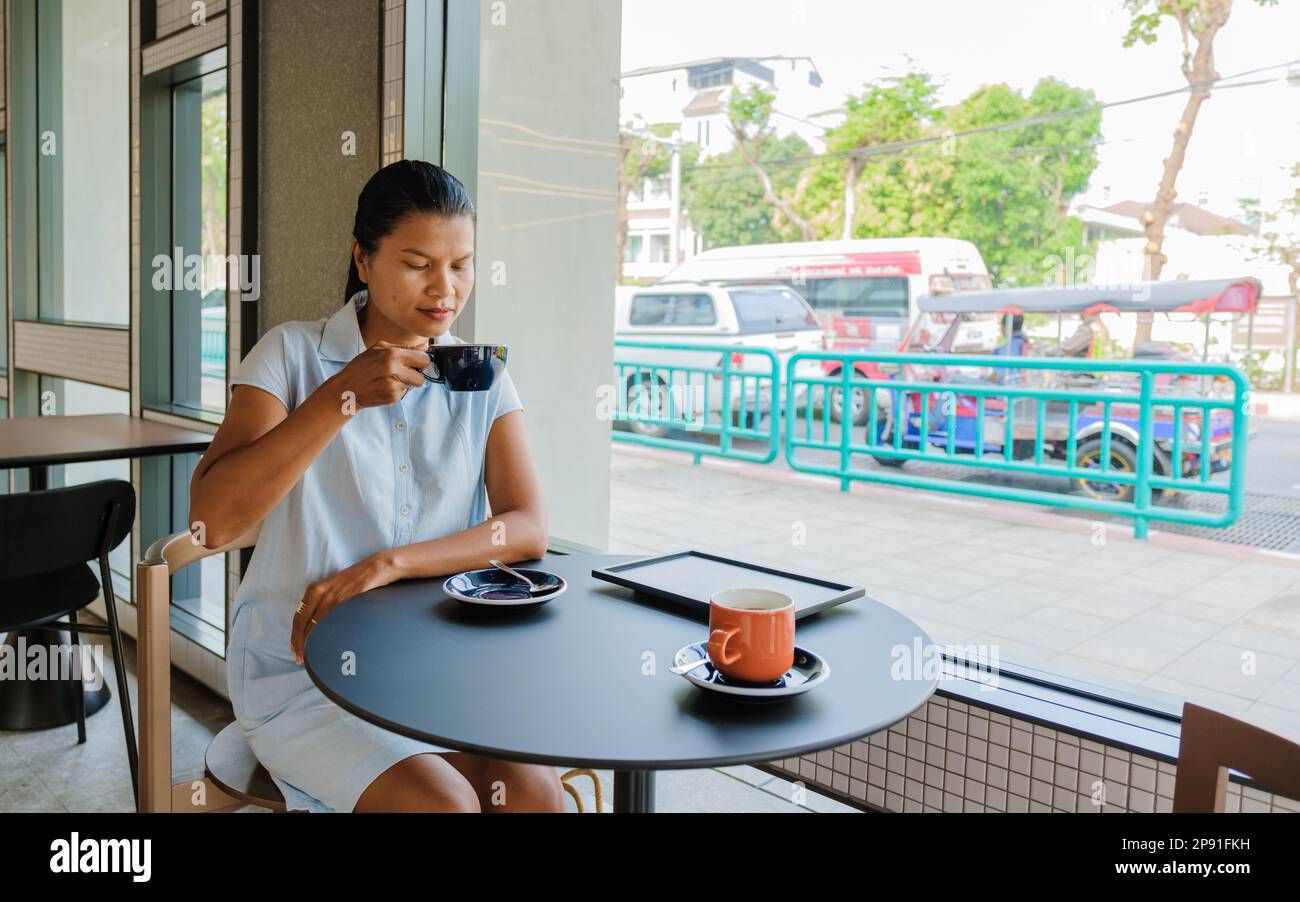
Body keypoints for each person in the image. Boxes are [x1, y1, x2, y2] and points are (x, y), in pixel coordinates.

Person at [189, 160, 564, 813]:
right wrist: (340, 396)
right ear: (363, 260)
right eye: (418, 263)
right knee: (444, 805)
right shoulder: (289, 356)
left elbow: (527, 527)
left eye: (461, 264)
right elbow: (212, 523)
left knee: (534, 798)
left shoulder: (481, 376)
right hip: (301, 669)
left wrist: (387, 566)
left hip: (432, 662)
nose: (445, 289)